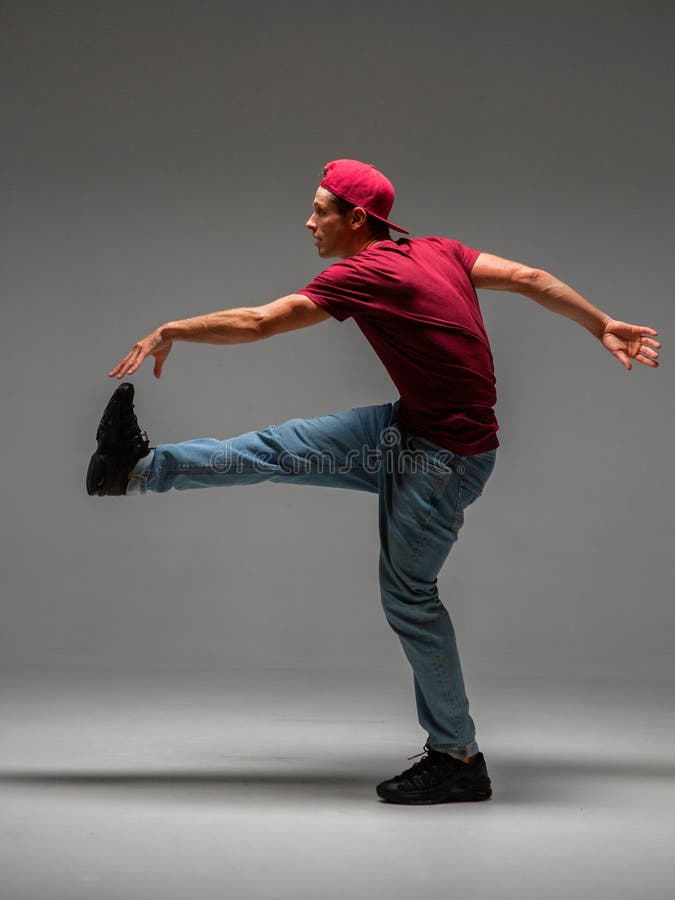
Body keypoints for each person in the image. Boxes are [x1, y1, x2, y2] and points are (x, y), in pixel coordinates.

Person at [87, 158, 660, 805]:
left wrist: (171, 330)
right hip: (404, 432)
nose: (308, 222)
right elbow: (528, 278)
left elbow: (258, 322)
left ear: (356, 218)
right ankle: (131, 470)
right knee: (277, 448)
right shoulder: (437, 250)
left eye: (319, 210)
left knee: (409, 596)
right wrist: (600, 322)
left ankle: (457, 757)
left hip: (440, 460)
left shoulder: (364, 273)